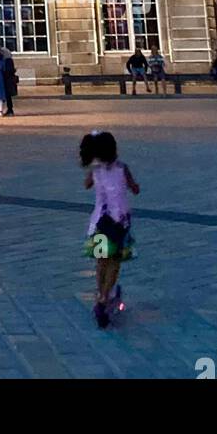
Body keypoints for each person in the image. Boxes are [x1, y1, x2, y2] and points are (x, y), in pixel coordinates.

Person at [80, 130, 140, 329]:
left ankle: (100, 293)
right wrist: (132, 186)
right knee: (114, 262)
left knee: (101, 261)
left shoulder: (95, 171)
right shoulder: (123, 168)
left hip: (99, 221)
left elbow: (86, 185)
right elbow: (134, 188)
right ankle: (106, 297)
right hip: (119, 221)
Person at [1, 49, 17, 116]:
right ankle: (9, 109)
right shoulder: (9, 60)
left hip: (8, 80)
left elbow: (8, 71)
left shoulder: (7, 61)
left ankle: (10, 110)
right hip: (9, 80)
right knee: (8, 96)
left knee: (8, 96)